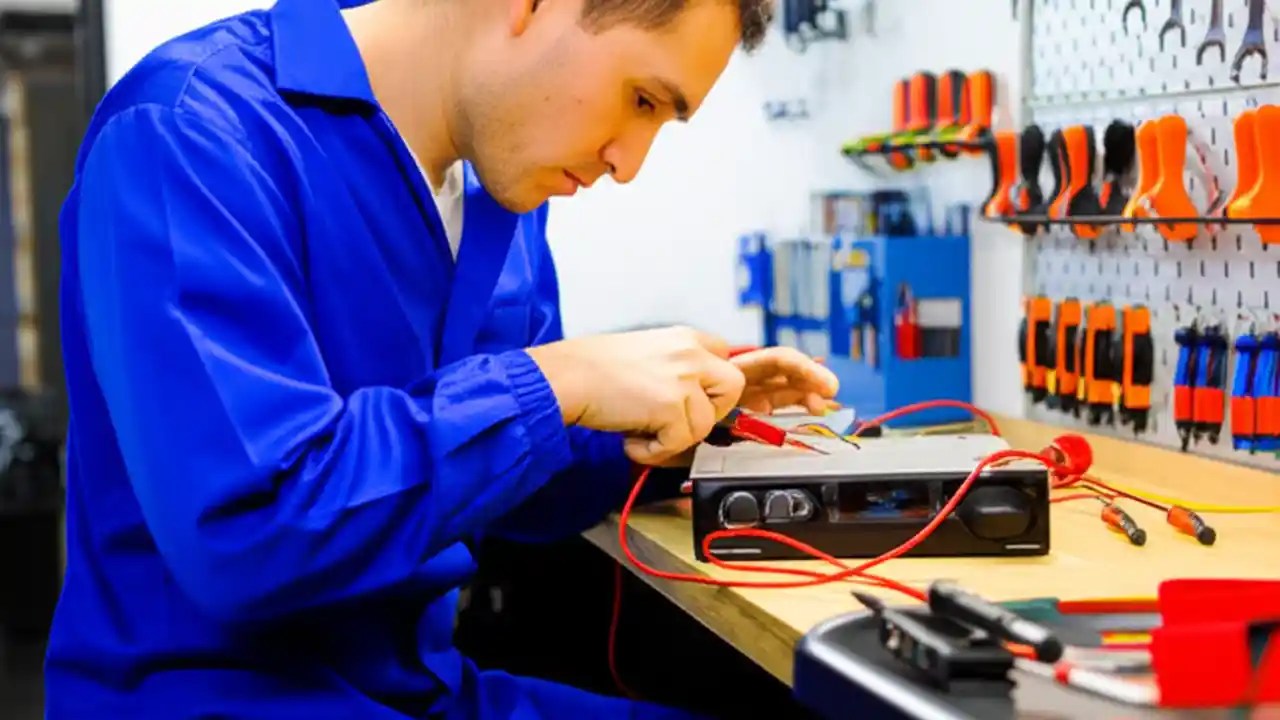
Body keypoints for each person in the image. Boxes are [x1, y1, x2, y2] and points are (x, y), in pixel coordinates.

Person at [47, 0, 839, 717]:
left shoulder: (502, 189)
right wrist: (557, 384)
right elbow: (252, 530)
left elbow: (508, 483)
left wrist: (682, 431)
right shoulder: (191, 130)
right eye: (641, 100)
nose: (628, 162)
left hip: (423, 691)